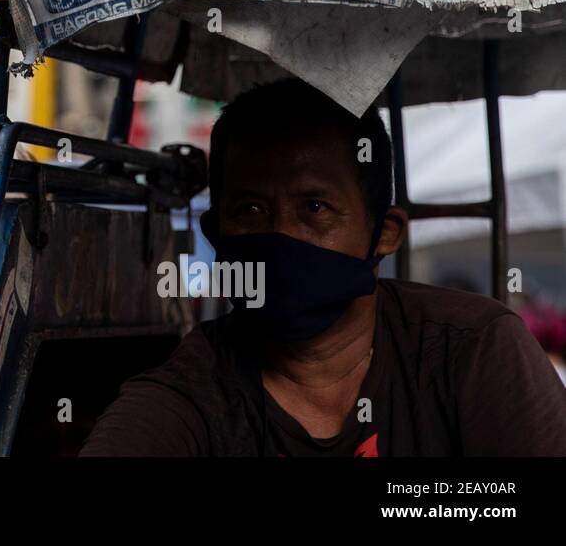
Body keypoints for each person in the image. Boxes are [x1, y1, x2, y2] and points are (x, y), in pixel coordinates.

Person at [81, 79, 566, 456]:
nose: (283, 236)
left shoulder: (472, 347)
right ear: (215, 231)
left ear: (385, 233)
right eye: (250, 210)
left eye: (315, 208)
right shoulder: (192, 391)